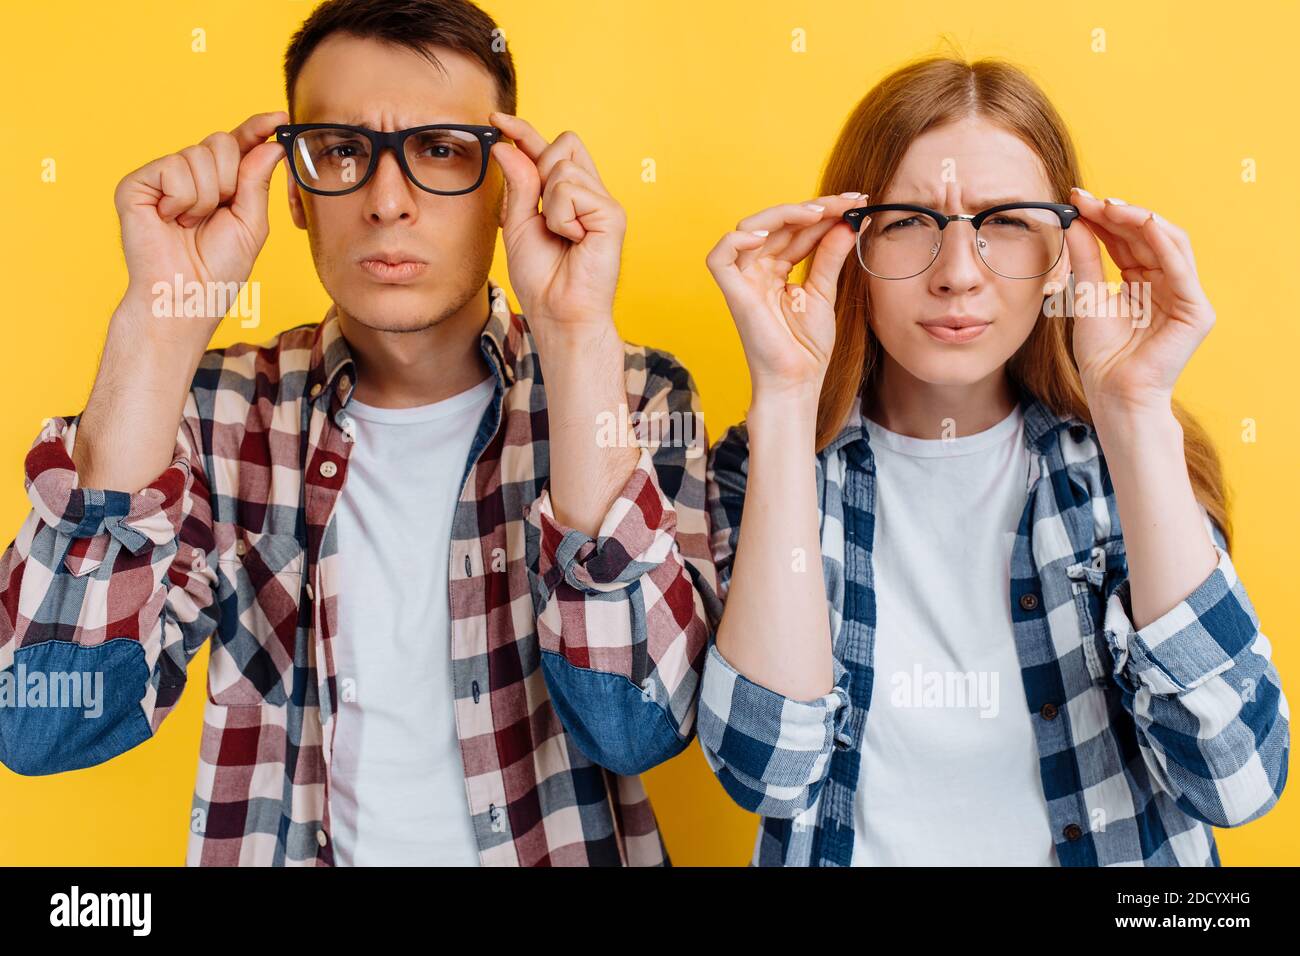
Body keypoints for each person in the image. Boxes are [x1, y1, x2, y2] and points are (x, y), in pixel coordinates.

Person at [0, 0, 715, 867]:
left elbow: (638, 724)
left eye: (441, 150)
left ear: (506, 186)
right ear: (295, 192)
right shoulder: (216, 414)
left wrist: (573, 335)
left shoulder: (632, 394)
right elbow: (39, 722)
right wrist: (159, 322)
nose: (386, 201)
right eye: (341, 150)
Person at [697, 55, 1288, 866]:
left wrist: (1137, 411)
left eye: (1005, 220)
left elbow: (1237, 777)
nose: (960, 276)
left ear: (1065, 252)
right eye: (908, 220)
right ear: (848, 243)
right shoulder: (758, 467)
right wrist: (788, 397)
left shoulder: (1122, 462)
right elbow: (769, 773)